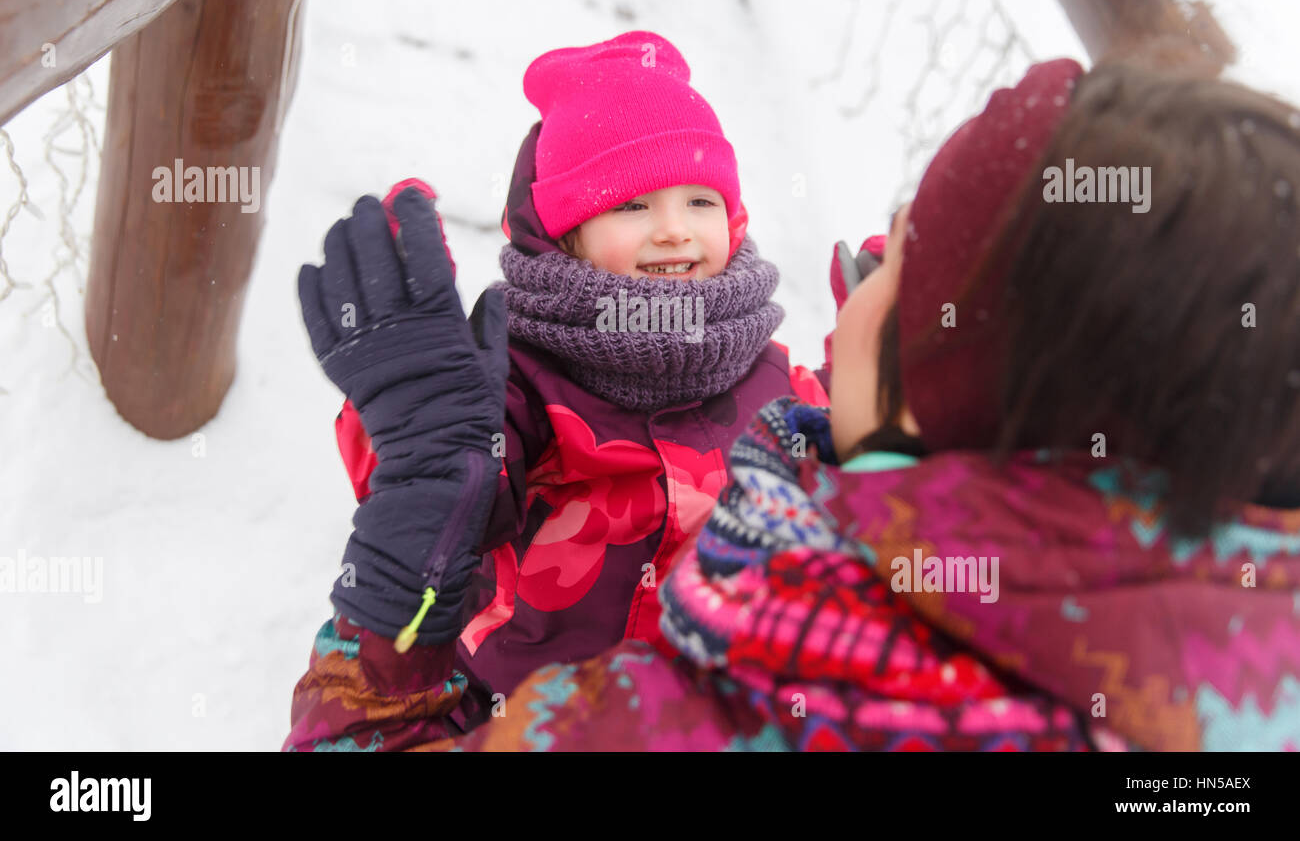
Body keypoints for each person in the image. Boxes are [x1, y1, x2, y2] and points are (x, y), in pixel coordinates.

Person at [285, 55, 1300, 751]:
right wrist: (897, 434)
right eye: (630, 204)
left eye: (902, 265)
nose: (857, 297)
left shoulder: (730, 709)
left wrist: (407, 541)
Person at [294, 30, 838, 737]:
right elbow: (436, 485)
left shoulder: (768, 372)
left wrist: (894, 360)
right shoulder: (520, 374)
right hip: (521, 717)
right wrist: (414, 417)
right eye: (632, 206)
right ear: (565, 234)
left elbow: (841, 453)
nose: (674, 230)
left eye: (700, 201)